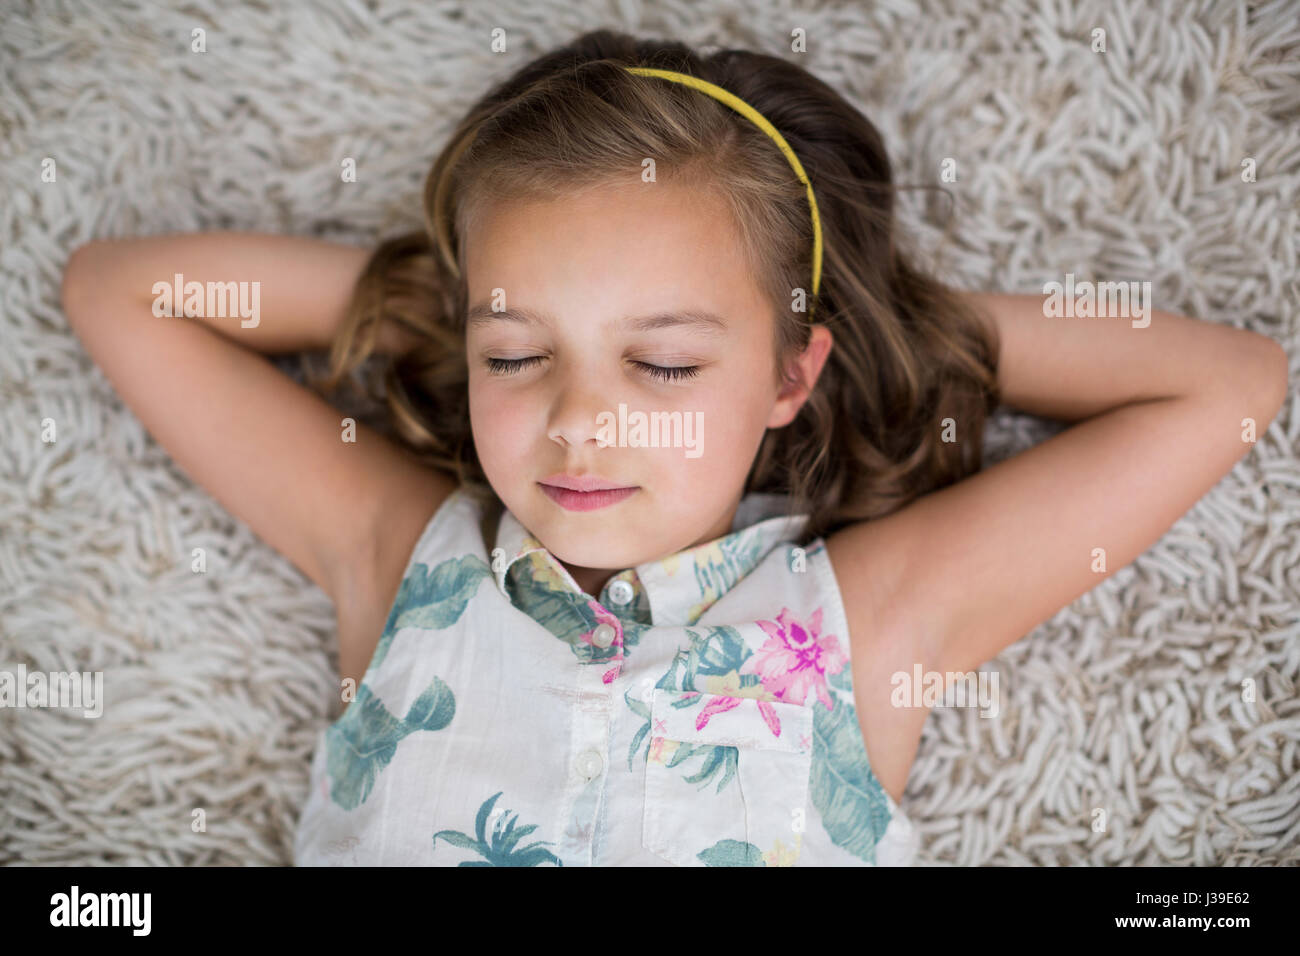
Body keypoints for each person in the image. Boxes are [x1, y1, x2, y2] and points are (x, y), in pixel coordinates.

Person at [61, 29, 1288, 866]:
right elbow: (122, 292)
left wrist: (877, 323)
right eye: (515, 357)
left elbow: (1226, 384)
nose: (579, 419)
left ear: (788, 374)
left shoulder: (865, 618)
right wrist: (444, 305)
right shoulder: (408, 564)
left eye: (661, 361)